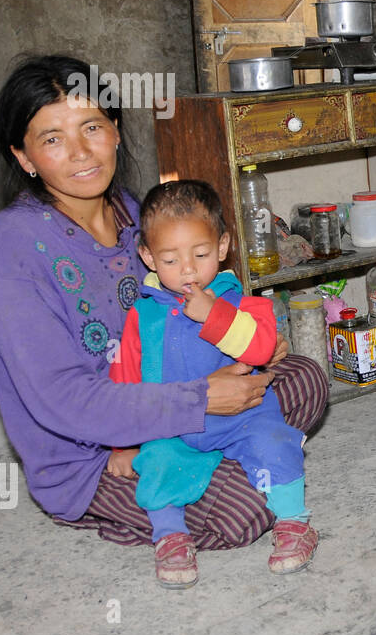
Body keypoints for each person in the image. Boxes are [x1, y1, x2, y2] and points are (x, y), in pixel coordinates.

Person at [0, 54, 327, 562]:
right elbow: (63, 402)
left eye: (92, 126)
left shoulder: (134, 213)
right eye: (51, 139)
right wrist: (202, 399)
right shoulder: (11, 252)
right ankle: (231, 466)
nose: (80, 153)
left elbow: (195, 299)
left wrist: (246, 337)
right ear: (24, 158)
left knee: (306, 375)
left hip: (183, 404)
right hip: (94, 457)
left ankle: (226, 455)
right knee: (244, 510)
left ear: (115, 129)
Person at [111, 179, 316, 587]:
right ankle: (170, 536)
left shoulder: (242, 302)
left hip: (245, 417)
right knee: (158, 463)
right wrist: (123, 444)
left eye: (201, 254)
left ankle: (294, 522)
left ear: (222, 247)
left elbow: (261, 349)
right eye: (170, 260)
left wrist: (214, 314)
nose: (188, 269)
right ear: (148, 257)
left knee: (276, 443)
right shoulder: (142, 316)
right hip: (175, 425)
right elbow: (125, 379)